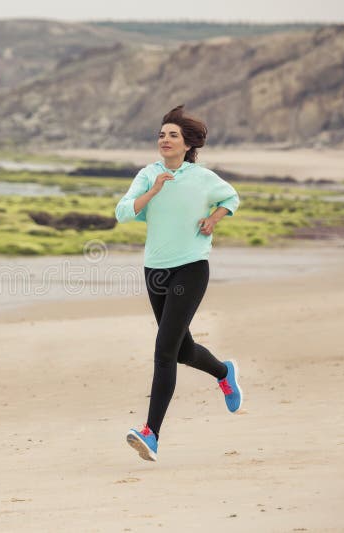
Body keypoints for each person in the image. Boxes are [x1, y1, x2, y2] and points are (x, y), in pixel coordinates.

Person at [114, 105, 243, 462]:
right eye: (161, 134)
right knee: (182, 351)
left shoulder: (202, 178)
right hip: (155, 270)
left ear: (187, 144)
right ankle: (223, 371)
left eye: (173, 134)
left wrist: (214, 218)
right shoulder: (148, 175)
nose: (165, 139)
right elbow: (123, 212)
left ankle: (150, 433)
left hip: (191, 269)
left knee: (164, 352)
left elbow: (231, 198)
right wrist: (153, 190)